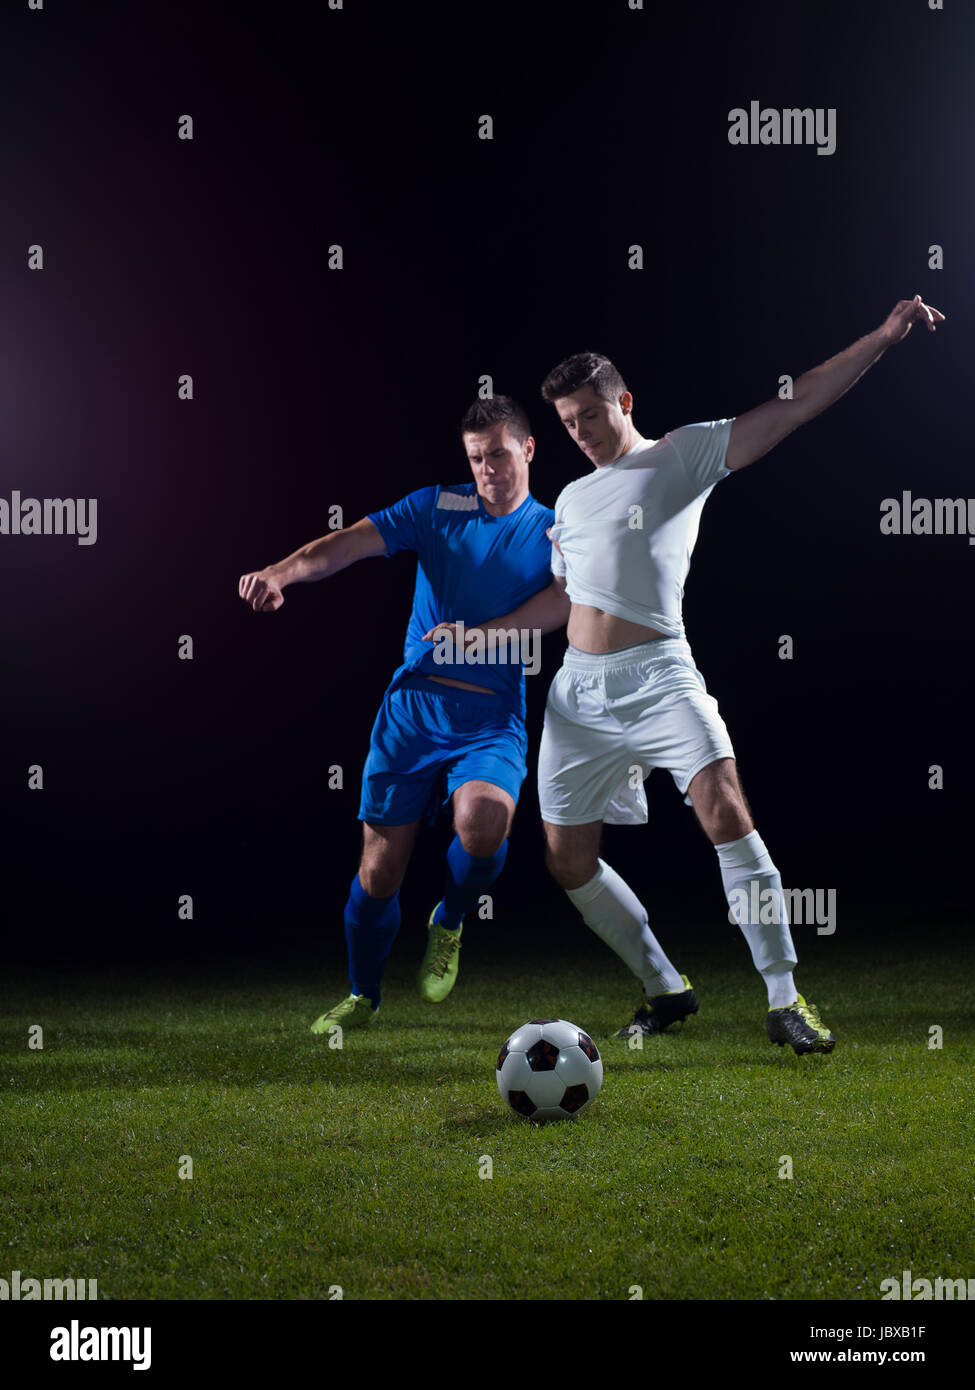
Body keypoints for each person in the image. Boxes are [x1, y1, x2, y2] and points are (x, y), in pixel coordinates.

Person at [435, 295, 944, 1054]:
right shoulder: (569, 501)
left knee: (724, 806)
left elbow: (795, 405)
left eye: (591, 416)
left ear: (623, 402)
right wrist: (478, 639)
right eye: (568, 423)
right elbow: (565, 600)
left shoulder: (681, 454)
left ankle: (784, 996)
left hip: (660, 674)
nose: (580, 432)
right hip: (578, 692)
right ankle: (665, 988)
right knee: (565, 859)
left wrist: (883, 334)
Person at [238, 395, 555, 1031]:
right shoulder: (437, 505)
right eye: (475, 457)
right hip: (412, 710)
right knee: (380, 873)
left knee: (485, 822)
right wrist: (280, 572)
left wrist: (485, 639)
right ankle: (362, 994)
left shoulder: (554, 529)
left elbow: (572, 602)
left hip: (492, 713)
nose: (487, 468)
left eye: (497, 452)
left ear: (527, 449)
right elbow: (347, 544)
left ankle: (451, 917)